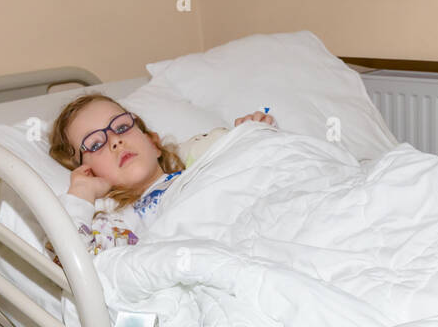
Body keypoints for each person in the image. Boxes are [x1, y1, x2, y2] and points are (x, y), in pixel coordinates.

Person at [45, 94, 274, 259]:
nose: (115, 140)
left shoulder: (198, 168)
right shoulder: (116, 224)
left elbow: (263, 176)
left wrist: (252, 136)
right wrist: (81, 194)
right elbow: (74, 263)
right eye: (95, 144)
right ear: (89, 172)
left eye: (122, 127)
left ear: (153, 143)